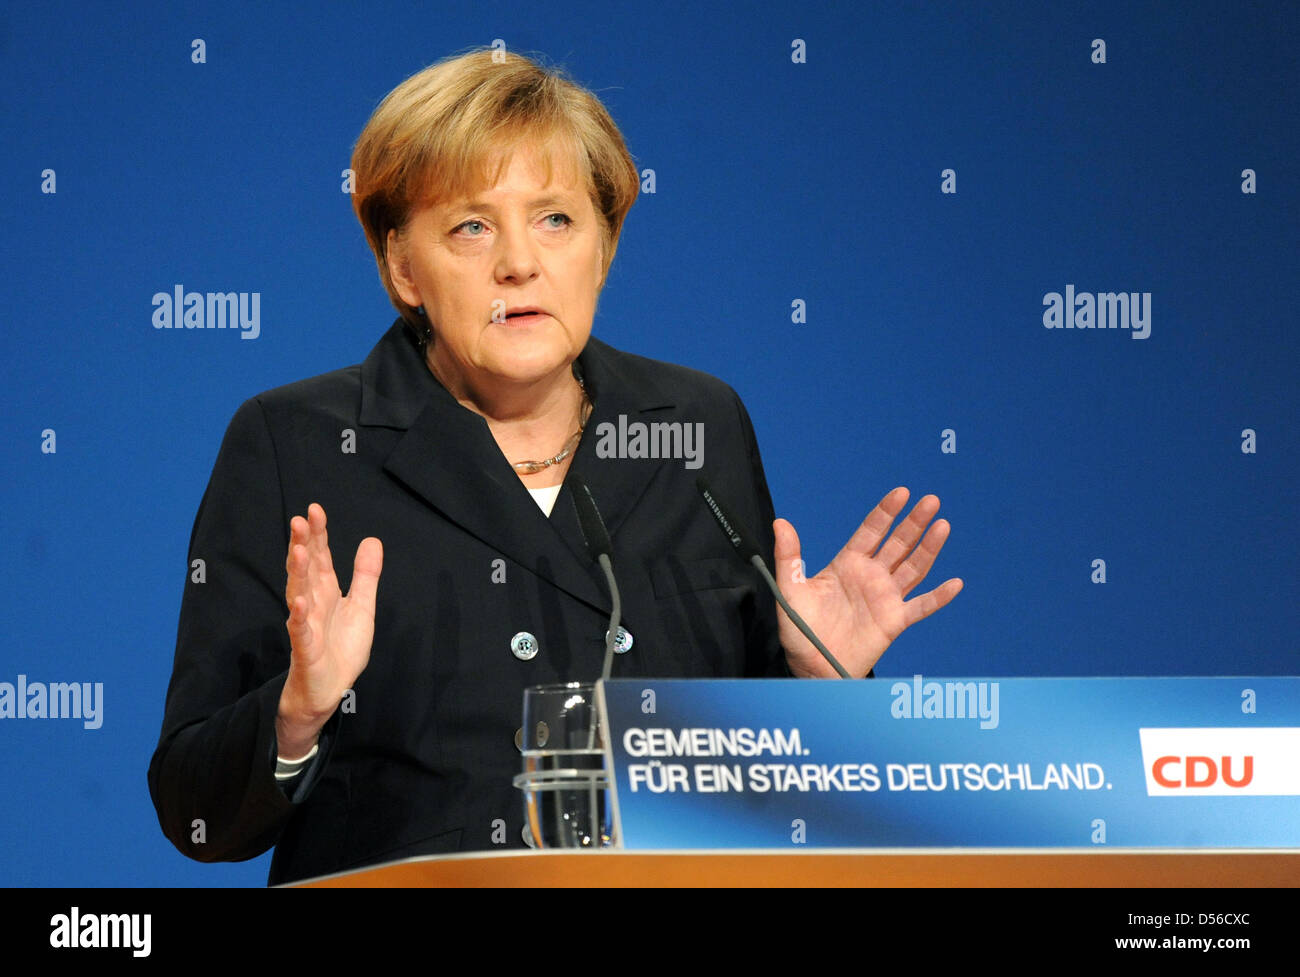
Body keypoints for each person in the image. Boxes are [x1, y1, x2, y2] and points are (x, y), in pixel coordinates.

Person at [148, 48, 963, 885]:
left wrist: (821, 676)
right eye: (471, 226)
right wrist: (299, 710)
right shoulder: (298, 441)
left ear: (602, 247)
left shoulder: (695, 425)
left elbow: (772, 794)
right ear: (402, 266)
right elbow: (193, 810)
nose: (519, 263)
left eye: (555, 220)